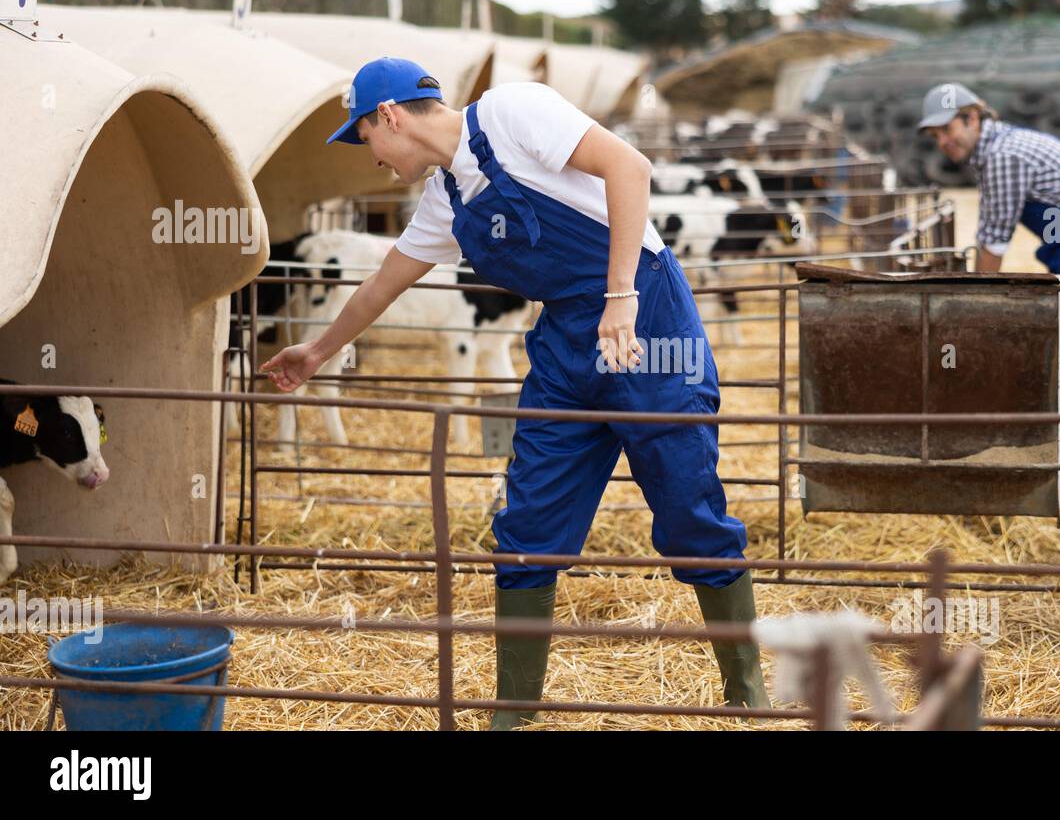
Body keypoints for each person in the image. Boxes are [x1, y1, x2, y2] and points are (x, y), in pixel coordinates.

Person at [258, 58, 768, 729]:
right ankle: (514, 711)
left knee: (687, 506)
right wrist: (318, 349)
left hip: (646, 320)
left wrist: (621, 298)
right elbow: (387, 279)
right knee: (527, 524)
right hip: (564, 344)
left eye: (364, 138)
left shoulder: (511, 112)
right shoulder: (446, 198)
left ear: (389, 114)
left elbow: (630, 168)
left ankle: (747, 690)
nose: (371, 157)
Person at [917, 82, 1060, 345]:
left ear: (972, 118)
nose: (942, 142)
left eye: (946, 130)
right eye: (935, 136)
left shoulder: (1003, 155)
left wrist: (974, 310)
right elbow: (989, 229)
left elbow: (993, 244)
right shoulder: (992, 149)